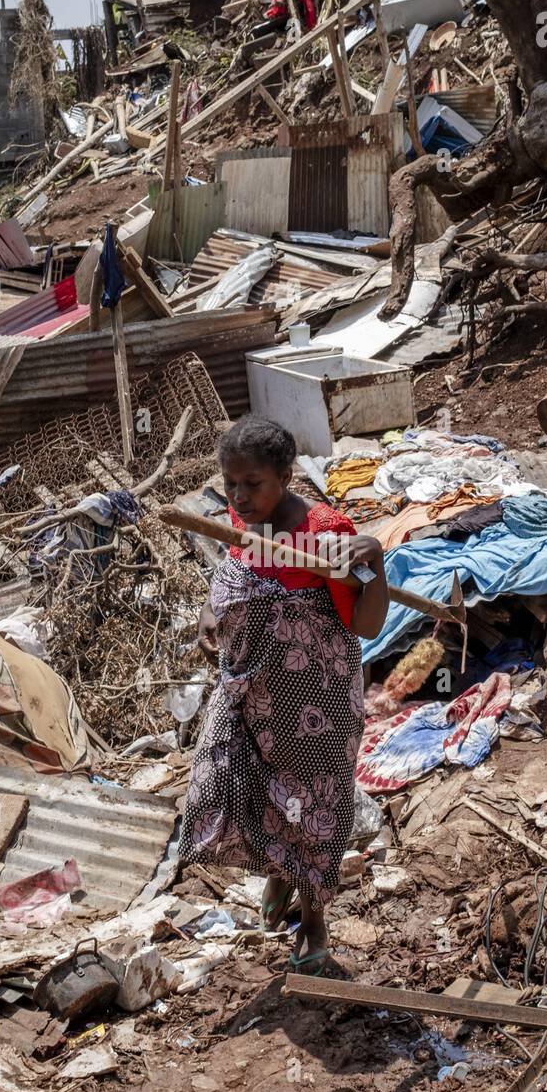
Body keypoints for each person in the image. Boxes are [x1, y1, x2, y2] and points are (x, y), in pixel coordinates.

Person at [178, 416, 389, 976]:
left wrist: (377, 562)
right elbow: (237, 568)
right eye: (232, 484)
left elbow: (367, 623)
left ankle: (314, 920)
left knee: (314, 804)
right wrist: (211, 613)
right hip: (250, 689)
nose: (241, 498)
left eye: (254, 484)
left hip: (312, 702)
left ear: (286, 477)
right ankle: (279, 866)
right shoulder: (243, 518)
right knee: (223, 780)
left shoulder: (326, 534)